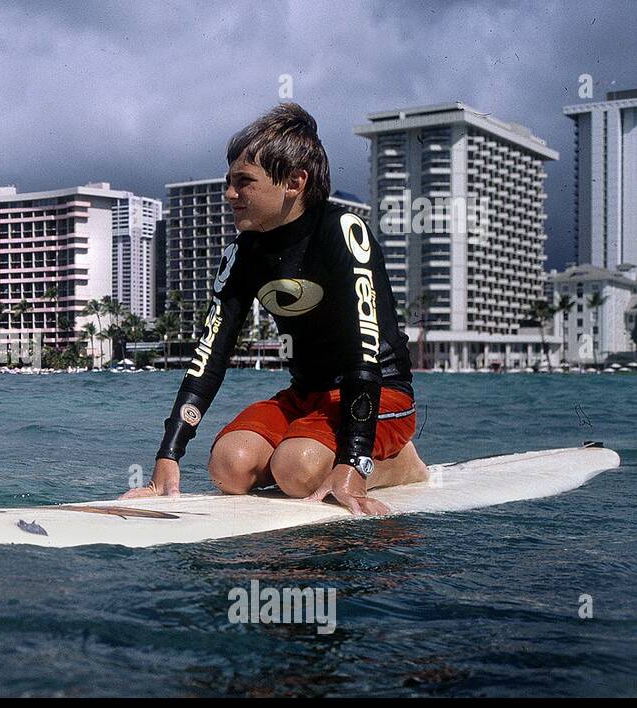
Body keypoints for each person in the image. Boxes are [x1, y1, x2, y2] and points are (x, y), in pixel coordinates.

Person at [122, 103, 427, 515]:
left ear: (294, 182)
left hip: (382, 394)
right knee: (229, 468)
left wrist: (354, 462)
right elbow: (210, 354)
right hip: (307, 396)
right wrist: (168, 455)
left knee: (297, 470)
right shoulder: (245, 251)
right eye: (229, 182)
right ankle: (311, 455)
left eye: (243, 182)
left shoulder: (342, 231)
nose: (229, 194)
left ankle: (399, 463)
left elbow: (363, 354)